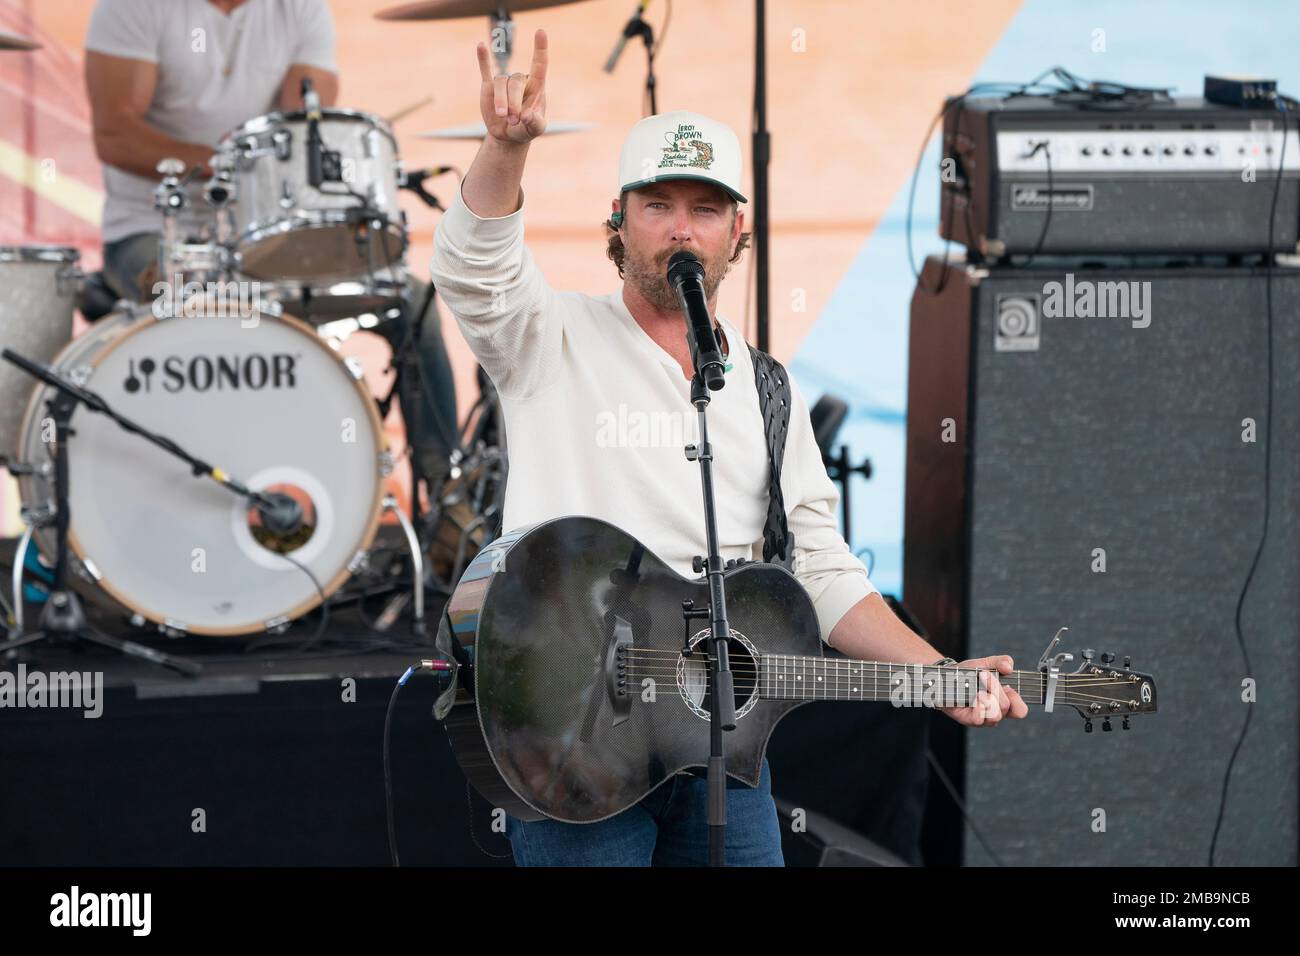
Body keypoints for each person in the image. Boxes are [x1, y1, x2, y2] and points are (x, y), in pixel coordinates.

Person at [430, 28, 1028, 868]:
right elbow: (472, 270)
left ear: (736, 229)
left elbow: (822, 570)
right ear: (619, 220)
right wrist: (503, 150)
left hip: (720, 746)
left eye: (704, 209)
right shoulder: (549, 337)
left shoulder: (764, 387)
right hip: (571, 736)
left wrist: (941, 671)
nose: (682, 230)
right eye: (658, 206)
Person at [83, 0, 458, 489]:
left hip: (263, 240)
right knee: (196, 311)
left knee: (413, 305)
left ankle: (449, 504)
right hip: (152, 231)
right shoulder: (132, 7)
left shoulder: (300, 9)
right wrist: (229, 165)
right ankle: (209, 492)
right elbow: (115, 136)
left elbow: (302, 125)